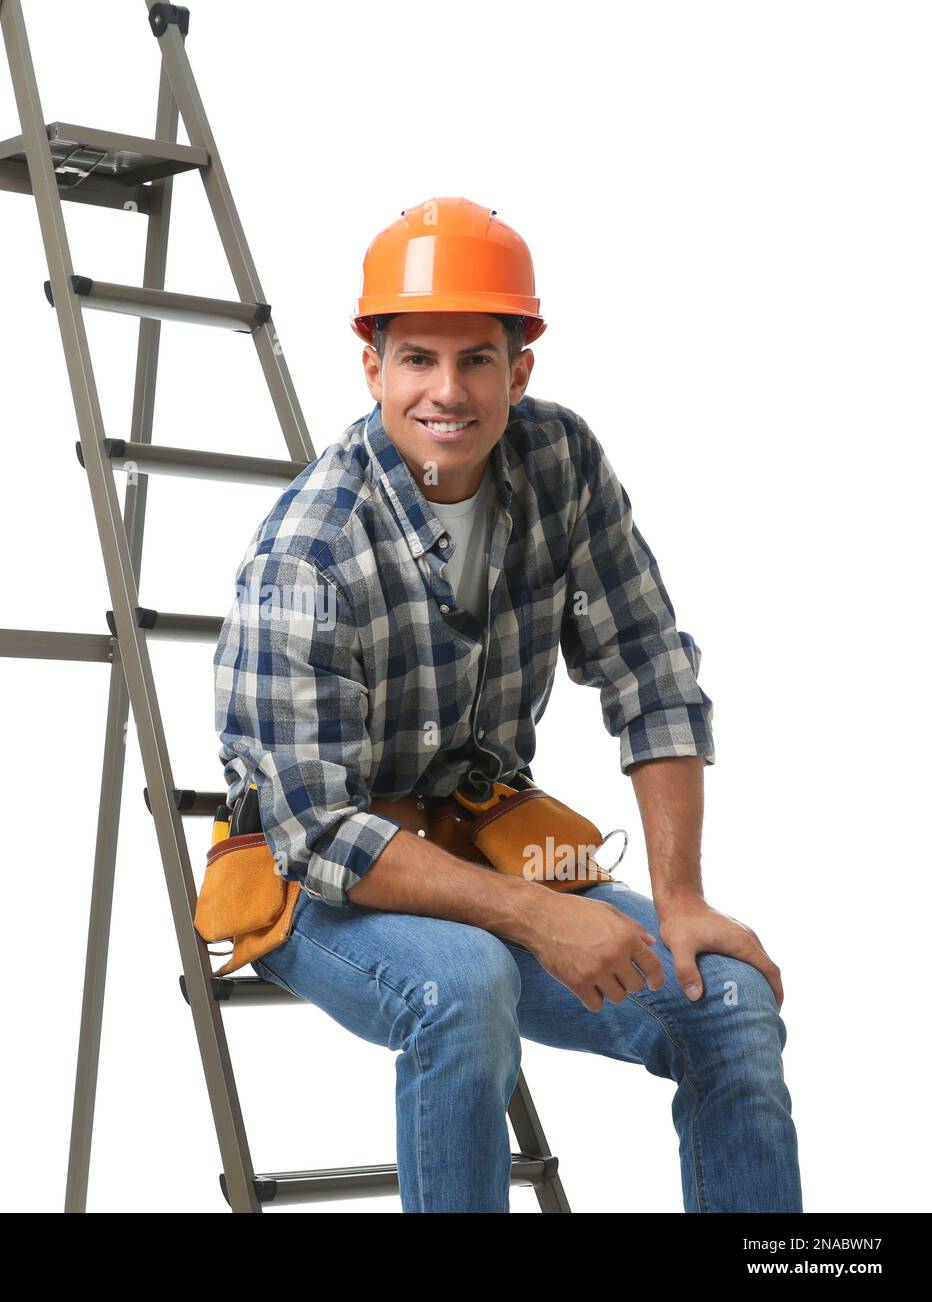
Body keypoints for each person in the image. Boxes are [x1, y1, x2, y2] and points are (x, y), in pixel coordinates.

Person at [211, 197, 801, 1213]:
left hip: (485, 852)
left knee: (731, 1003)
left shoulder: (558, 462)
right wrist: (538, 918)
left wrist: (681, 902)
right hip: (320, 886)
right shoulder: (307, 554)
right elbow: (319, 837)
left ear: (518, 368)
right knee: (464, 984)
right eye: (417, 360)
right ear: (372, 367)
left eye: (476, 359)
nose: (448, 391)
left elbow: (649, 671)